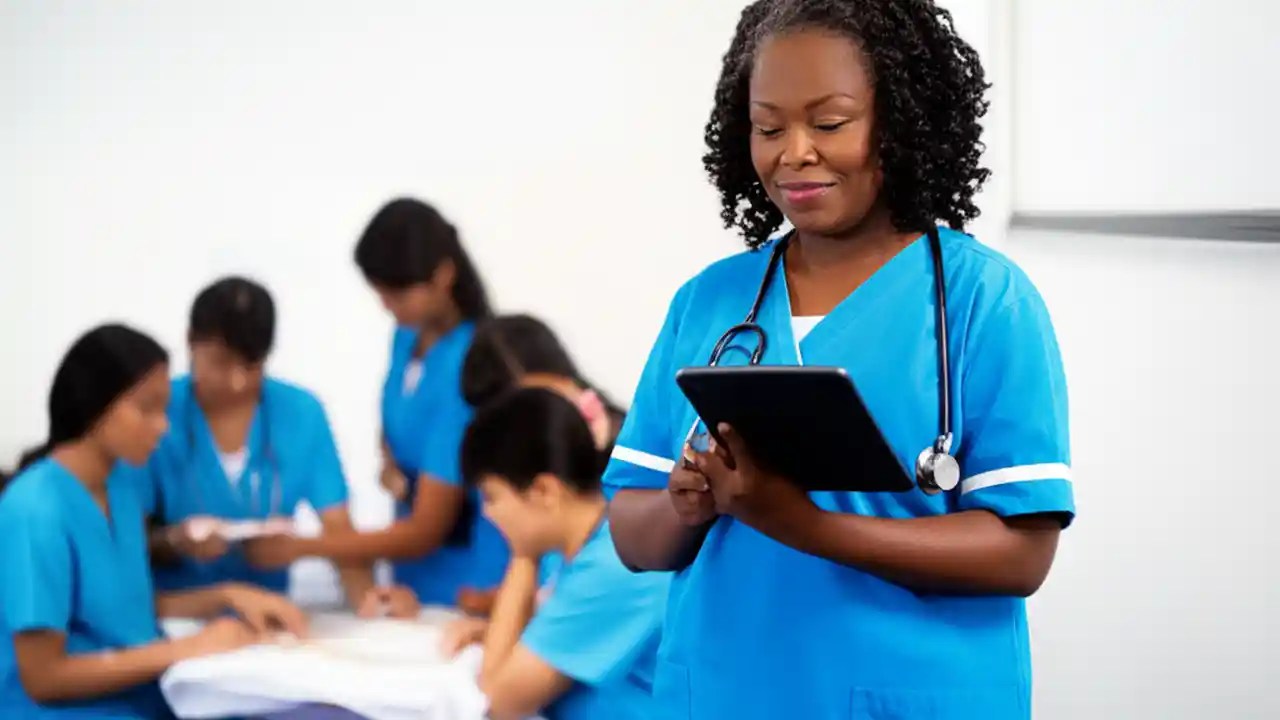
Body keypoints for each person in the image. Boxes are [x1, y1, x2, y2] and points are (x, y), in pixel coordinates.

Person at [605, 2, 1074, 719]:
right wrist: (687, 503)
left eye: (829, 123)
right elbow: (633, 536)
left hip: (911, 696)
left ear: (902, 118)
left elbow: (1020, 553)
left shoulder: (983, 300)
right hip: (725, 693)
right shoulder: (709, 303)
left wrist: (801, 524)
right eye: (768, 127)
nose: (794, 151)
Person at [0, 324, 308, 719]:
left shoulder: (121, 489)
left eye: (164, 409)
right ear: (96, 405)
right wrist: (186, 649)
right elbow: (44, 677)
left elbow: (121, 607)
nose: (163, 426)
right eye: (147, 408)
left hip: (144, 700)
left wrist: (229, 595)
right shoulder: (34, 509)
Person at [273, 198, 509, 612]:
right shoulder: (406, 338)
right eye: (379, 292)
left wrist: (301, 548)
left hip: (467, 579)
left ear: (443, 276)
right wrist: (390, 466)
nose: (386, 306)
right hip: (412, 577)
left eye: (397, 293)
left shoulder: (472, 363)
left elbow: (427, 530)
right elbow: (396, 421)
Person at [368, 313, 629, 617]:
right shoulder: (519, 474)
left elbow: (586, 600)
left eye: (517, 404)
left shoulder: (635, 460)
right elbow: (516, 587)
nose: (514, 424)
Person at [140, 277, 374, 607]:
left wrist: (370, 603)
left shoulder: (301, 413)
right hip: (177, 614)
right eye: (221, 362)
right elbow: (119, 543)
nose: (237, 382)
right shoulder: (155, 413)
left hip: (270, 617)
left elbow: (339, 532)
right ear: (191, 341)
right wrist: (174, 542)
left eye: (251, 366)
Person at [439, 388, 667, 720]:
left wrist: (521, 555)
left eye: (491, 497)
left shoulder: (613, 565)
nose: (488, 514)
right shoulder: (587, 542)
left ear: (544, 491)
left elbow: (498, 699)